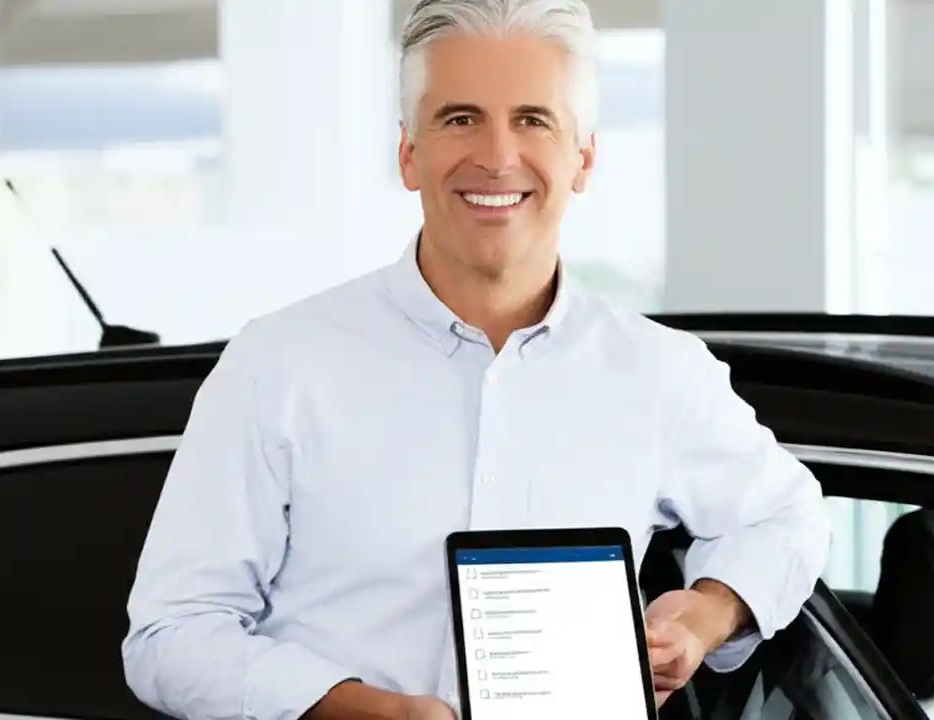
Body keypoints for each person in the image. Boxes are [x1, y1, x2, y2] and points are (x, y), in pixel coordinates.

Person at [120, 1, 831, 718]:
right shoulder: (277, 366)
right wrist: (357, 708)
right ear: (408, 153)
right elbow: (170, 635)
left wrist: (705, 615)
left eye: (533, 120)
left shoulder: (660, 373)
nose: (496, 156)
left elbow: (787, 517)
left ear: (583, 157)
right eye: (460, 118)